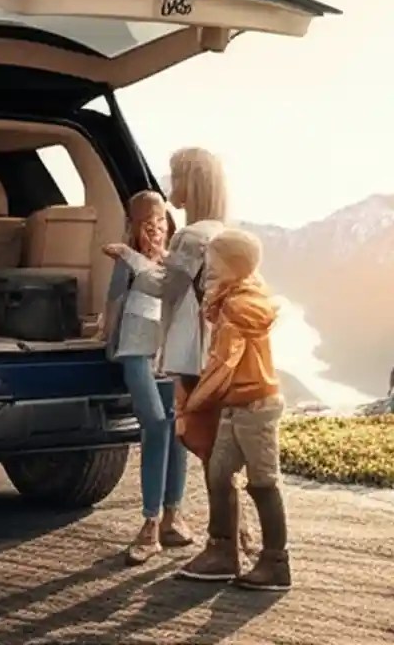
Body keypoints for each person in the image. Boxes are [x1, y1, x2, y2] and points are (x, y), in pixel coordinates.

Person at [104, 147, 253, 557]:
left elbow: (165, 287)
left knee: (200, 443)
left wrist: (130, 256)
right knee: (210, 444)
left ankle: (216, 541)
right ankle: (231, 536)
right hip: (216, 350)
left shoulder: (190, 236)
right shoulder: (226, 232)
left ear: (196, 182)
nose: (171, 189)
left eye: (177, 178)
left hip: (184, 355)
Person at [175, 228, 290, 590]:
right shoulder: (231, 297)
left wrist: (191, 405)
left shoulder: (237, 309)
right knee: (219, 473)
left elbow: (223, 365)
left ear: (234, 267)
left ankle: (276, 563)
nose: (207, 271)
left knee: (263, 482)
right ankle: (222, 552)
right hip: (234, 405)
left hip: (256, 405)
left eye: (214, 265)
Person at [101, 191, 191, 565]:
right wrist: (104, 337)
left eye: (160, 222)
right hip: (136, 350)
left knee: (178, 429)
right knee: (154, 424)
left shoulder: (176, 262)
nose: (155, 230)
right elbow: (114, 304)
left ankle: (174, 514)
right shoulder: (126, 260)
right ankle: (150, 522)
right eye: (146, 224)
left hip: (168, 352)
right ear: (135, 226)